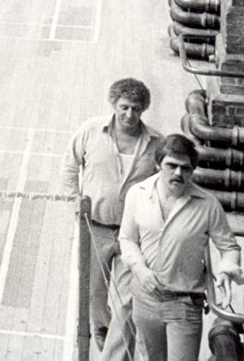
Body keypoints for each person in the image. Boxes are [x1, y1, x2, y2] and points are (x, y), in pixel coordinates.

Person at [117, 133, 241, 361]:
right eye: (171, 165)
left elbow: (229, 247)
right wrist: (140, 270)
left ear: (192, 170)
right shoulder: (137, 195)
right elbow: (127, 239)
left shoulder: (208, 206)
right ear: (158, 164)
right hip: (145, 299)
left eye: (185, 168)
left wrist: (227, 270)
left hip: (184, 303)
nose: (178, 173)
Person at [62, 78, 160, 350]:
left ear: (143, 109)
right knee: (94, 291)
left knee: (128, 297)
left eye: (136, 109)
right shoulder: (91, 131)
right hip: (96, 227)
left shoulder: (156, 143)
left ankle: (116, 349)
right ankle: (102, 329)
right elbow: (70, 165)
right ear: (114, 104)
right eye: (124, 107)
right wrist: (75, 200)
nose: (129, 115)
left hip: (133, 234)